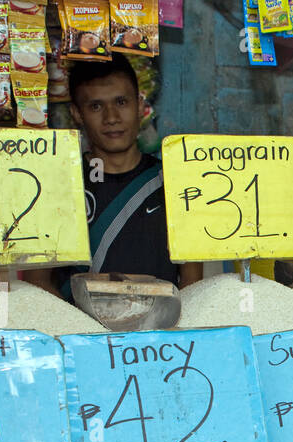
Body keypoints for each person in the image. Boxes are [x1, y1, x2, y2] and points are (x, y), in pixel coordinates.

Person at [28, 54, 196, 299]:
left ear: (140, 106)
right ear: (76, 113)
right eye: (96, 106)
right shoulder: (59, 187)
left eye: (121, 102)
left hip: (161, 334)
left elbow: (192, 284)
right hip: (81, 334)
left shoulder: (174, 184)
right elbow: (38, 284)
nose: (111, 118)